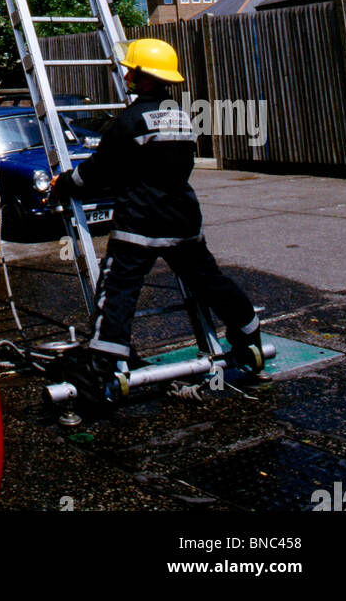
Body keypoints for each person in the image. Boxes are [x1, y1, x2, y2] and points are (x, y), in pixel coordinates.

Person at [48, 37, 264, 412]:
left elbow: (99, 172)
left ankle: (102, 366)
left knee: (118, 291)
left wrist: (64, 185)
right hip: (183, 221)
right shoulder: (181, 115)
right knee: (210, 282)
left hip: (140, 224)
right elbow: (179, 165)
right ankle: (249, 336)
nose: (127, 73)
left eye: (132, 69)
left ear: (144, 77)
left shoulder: (129, 121)